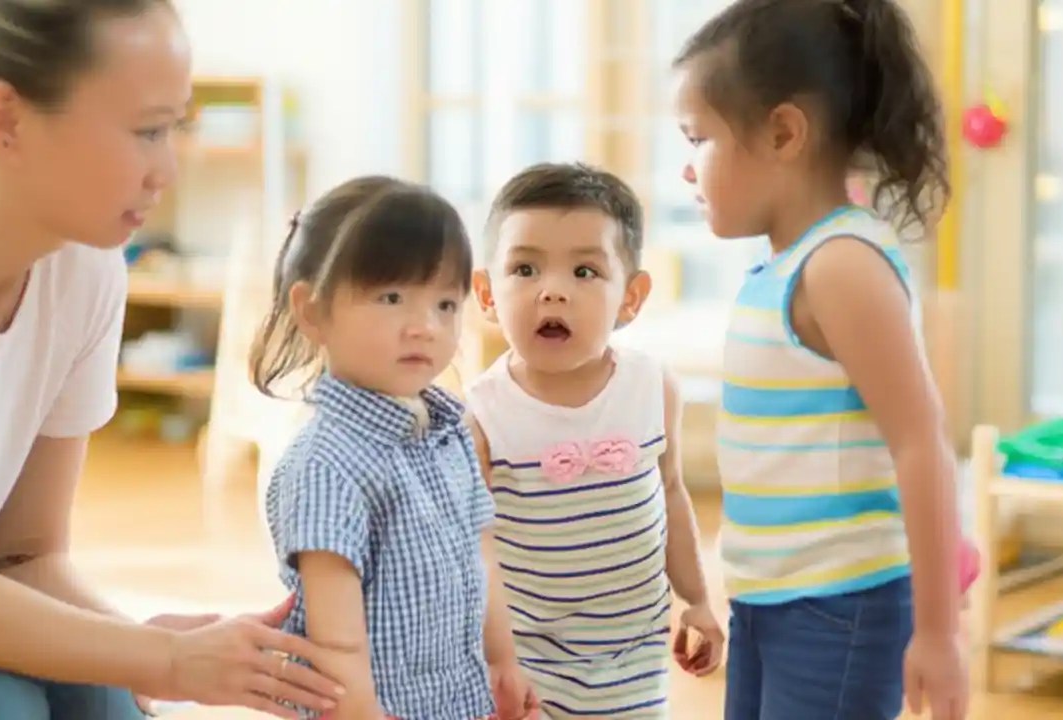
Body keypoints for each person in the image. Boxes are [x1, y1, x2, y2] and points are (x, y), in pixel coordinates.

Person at [0, 1, 343, 718]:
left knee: (106, 698)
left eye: (176, 128)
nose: (167, 169)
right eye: (146, 132)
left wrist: (136, 651)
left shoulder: (87, 269)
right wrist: (162, 659)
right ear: (6, 118)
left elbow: (21, 556)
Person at [670, 0, 968, 719]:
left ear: (782, 132)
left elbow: (920, 441)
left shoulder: (839, 266)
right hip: (774, 602)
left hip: (840, 607)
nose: (686, 170)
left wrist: (938, 633)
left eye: (698, 139)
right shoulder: (781, 267)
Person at [251, 176, 538, 720]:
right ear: (312, 312)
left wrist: (501, 659)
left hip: (458, 701)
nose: (424, 327)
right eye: (391, 298)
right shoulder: (327, 464)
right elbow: (336, 642)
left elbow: (482, 553)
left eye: (446, 305)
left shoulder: (449, 432)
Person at [465, 162, 725, 719]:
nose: (553, 291)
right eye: (525, 268)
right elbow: (474, 550)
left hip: (634, 653)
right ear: (486, 294)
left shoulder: (652, 386)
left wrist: (699, 600)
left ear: (631, 298)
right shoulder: (482, 415)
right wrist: (493, 656)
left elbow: (672, 494)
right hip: (528, 657)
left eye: (584, 272)